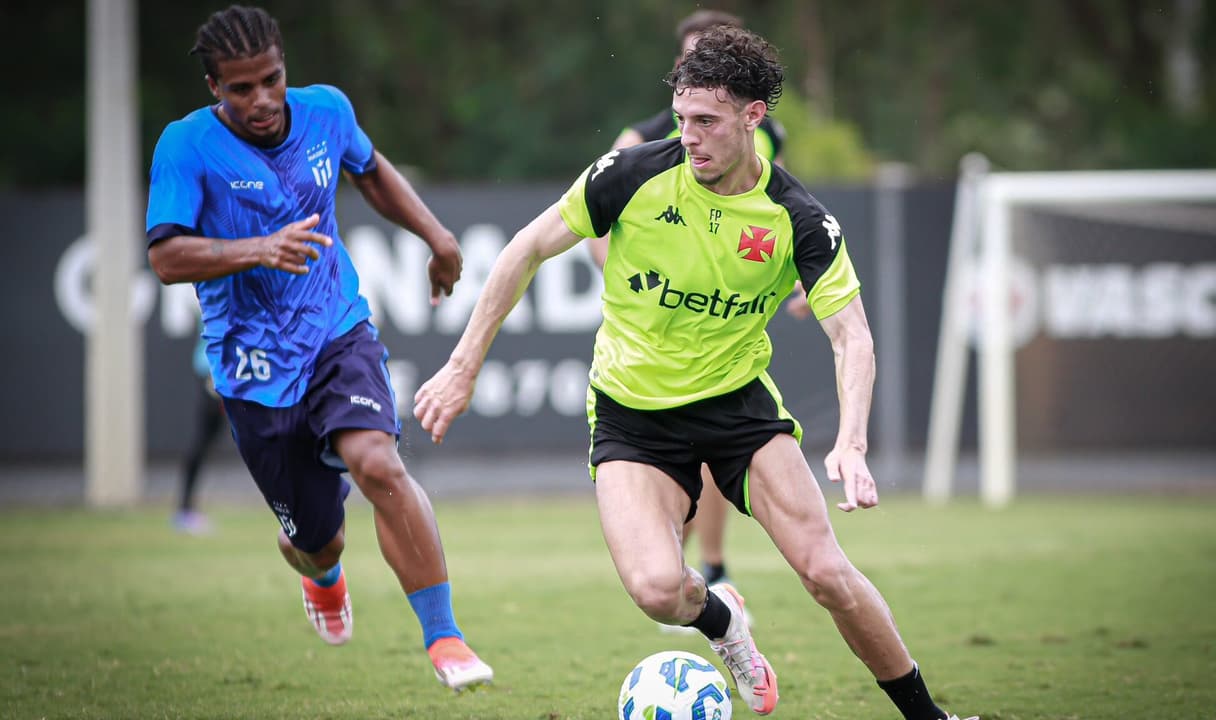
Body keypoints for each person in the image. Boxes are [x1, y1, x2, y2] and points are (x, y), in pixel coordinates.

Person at [415, 25, 975, 720]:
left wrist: (852, 441)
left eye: (706, 122)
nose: (690, 137)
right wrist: (463, 366)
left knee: (828, 572)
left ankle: (930, 717)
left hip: (738, 409)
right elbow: (525, 249)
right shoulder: (631, 173)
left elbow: (852, 337)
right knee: (656, 590)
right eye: (681, 119)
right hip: (631, 414)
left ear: (753, 116)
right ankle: (723, 624)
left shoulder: (797, 218)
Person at [145, 5, 492, 692]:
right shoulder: (185, 147)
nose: (262, 100)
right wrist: (258, 249)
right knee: (315, 539)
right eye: (241, 89)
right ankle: (325, 578)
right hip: (252, 372)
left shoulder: (326, 111)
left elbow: (371, 171)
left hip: (337, 329)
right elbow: (166, 255)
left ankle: (445, 637)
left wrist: (439, 237)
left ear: (284, 68)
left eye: (271, 80)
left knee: (377, 463)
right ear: (214, 87)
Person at [589, 10, 792, 635]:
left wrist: (802, 280)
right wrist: (629, 282)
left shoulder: (766, 138)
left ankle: (713, 567)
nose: (696, 66)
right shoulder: (643, 141)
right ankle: (685, 570)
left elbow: (774, 214)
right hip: (652, 318)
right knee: (673, 455)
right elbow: (603, 224)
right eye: (688, 57)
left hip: (720, 322)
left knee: (714, 444)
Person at [172, 329, 222, 535]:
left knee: (206, 440)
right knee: (202, 440)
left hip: (223, 369)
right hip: (212, 371)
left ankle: (186, 509)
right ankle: (184, 510)